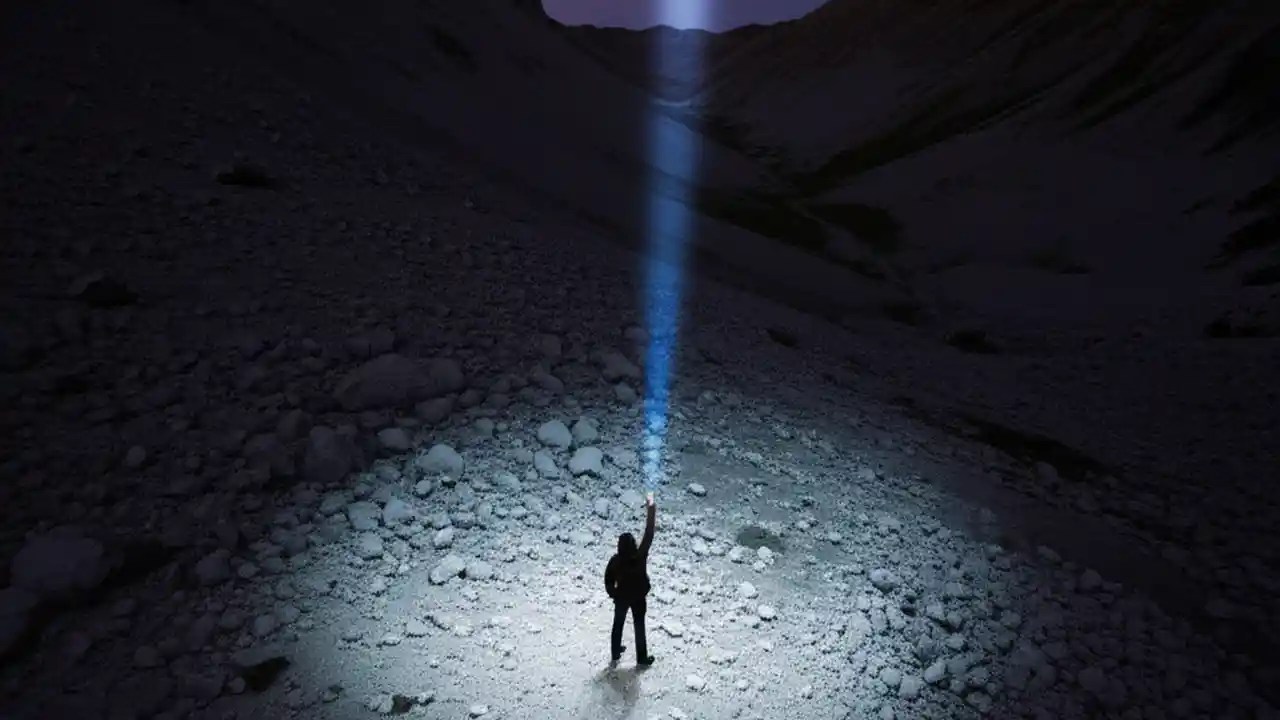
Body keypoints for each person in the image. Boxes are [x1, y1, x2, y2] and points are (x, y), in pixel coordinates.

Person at [604, 490, 657, 667]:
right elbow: (649, 533)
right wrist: (651, 506)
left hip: (622, 597)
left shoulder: (616, 561)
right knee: (639, 626)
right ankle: (641, 658)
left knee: (617, 624)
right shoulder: (639, 556)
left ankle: (615, 653)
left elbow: (608, 579)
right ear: (634, 544)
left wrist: (613, 593)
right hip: (638, 597)